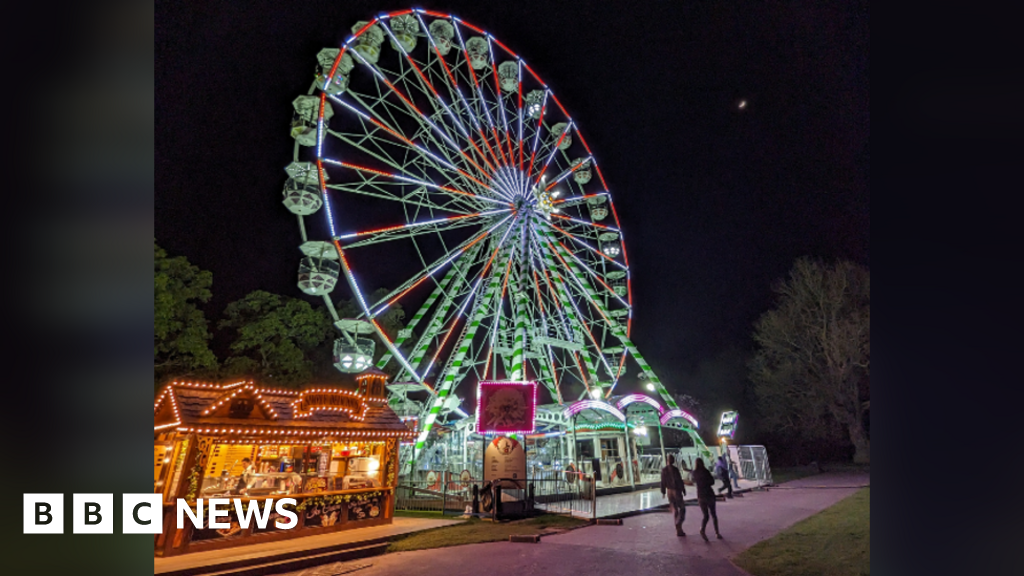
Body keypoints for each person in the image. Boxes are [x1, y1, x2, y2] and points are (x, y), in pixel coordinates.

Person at [692, 459, 723, 541]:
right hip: (709, 494)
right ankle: (717, 533)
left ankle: (702, 529)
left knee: (705, 515)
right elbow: (712, 482)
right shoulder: (706, 471)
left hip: (700, 496)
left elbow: (693, 481)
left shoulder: (695, 473)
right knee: (713, 514)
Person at [660, 454, 688, 536]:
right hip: (676, 490)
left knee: (675, 509)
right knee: (682, 508)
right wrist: (683, 490)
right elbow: (679, 480)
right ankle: (679, 523)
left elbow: (662, 481)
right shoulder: (675, 469)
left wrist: (663, 492)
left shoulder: (664, 470)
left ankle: (678, 529)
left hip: (669, 491)